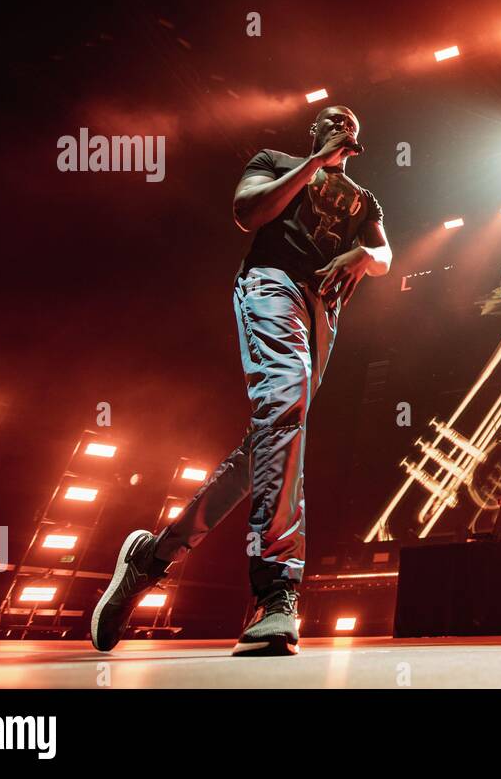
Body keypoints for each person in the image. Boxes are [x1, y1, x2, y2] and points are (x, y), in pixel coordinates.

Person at [90, 105, 391, 656]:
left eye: (350, 120)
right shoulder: (276, 161)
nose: (342, 122)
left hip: (323, 311)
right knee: (284, 413)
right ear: (316, 131)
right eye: (331, 117)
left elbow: (385, 254)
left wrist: (363, 252)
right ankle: (277, 592)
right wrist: (311, 166)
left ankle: (152, 558)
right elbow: (247, 212)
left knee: (273, 438)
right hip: (270, 283)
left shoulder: (364, 198)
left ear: (358, 137)